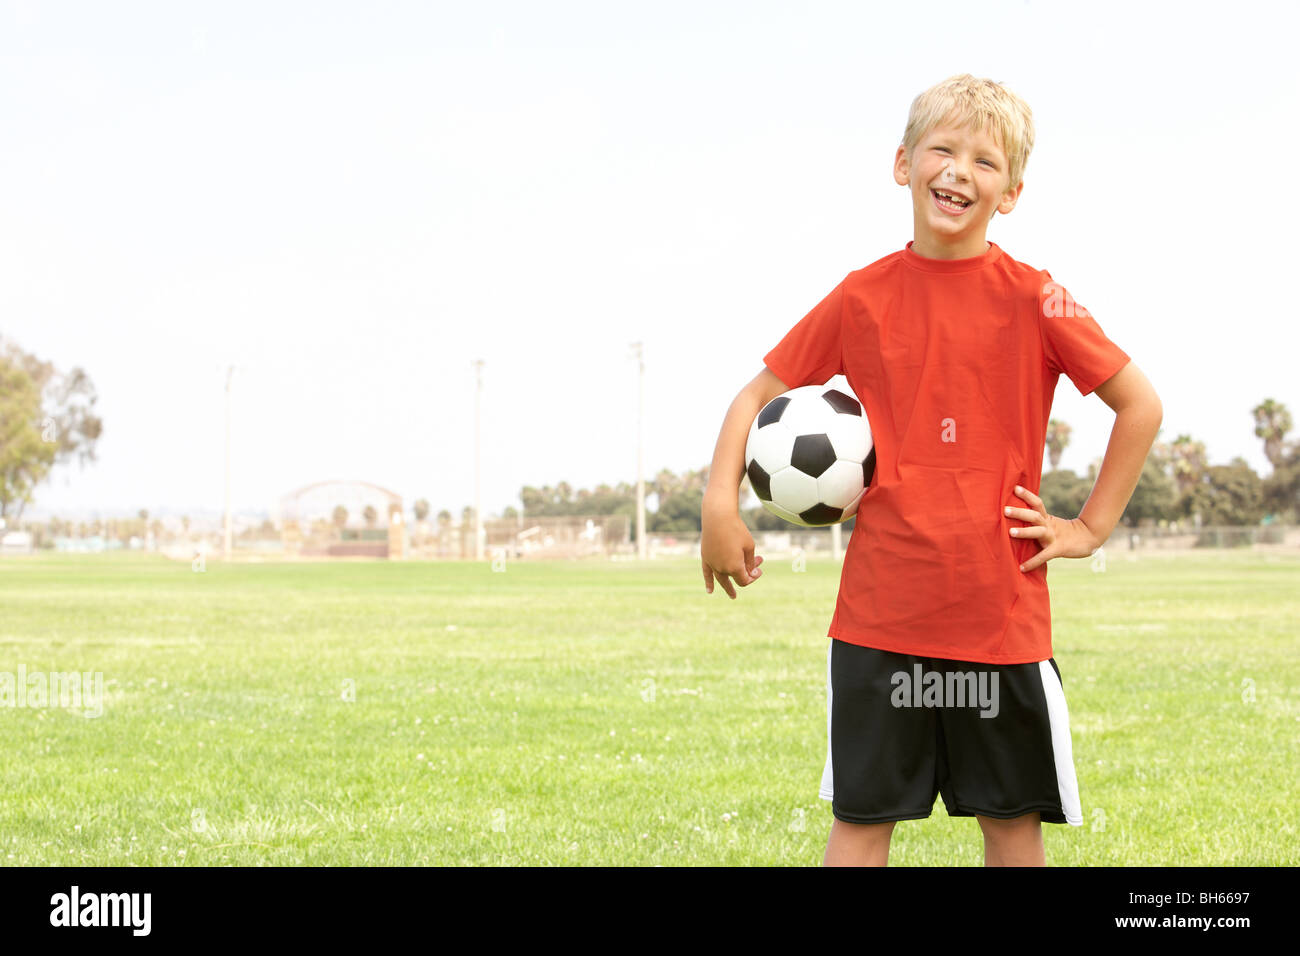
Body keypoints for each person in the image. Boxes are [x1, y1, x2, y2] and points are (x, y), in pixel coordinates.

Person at [699, 74, 1163, 867]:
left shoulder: (1039, 298)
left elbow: (1140, 405)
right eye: (942, 150)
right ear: (902, 163)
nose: (957, 172)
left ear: (1011, 192)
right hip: (883, 616)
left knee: (1011, 822)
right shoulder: (861, 297)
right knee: (862, 820)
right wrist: (719, 506)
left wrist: (1089, 528)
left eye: (984, 161)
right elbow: (755, 396)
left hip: (1000, 620)